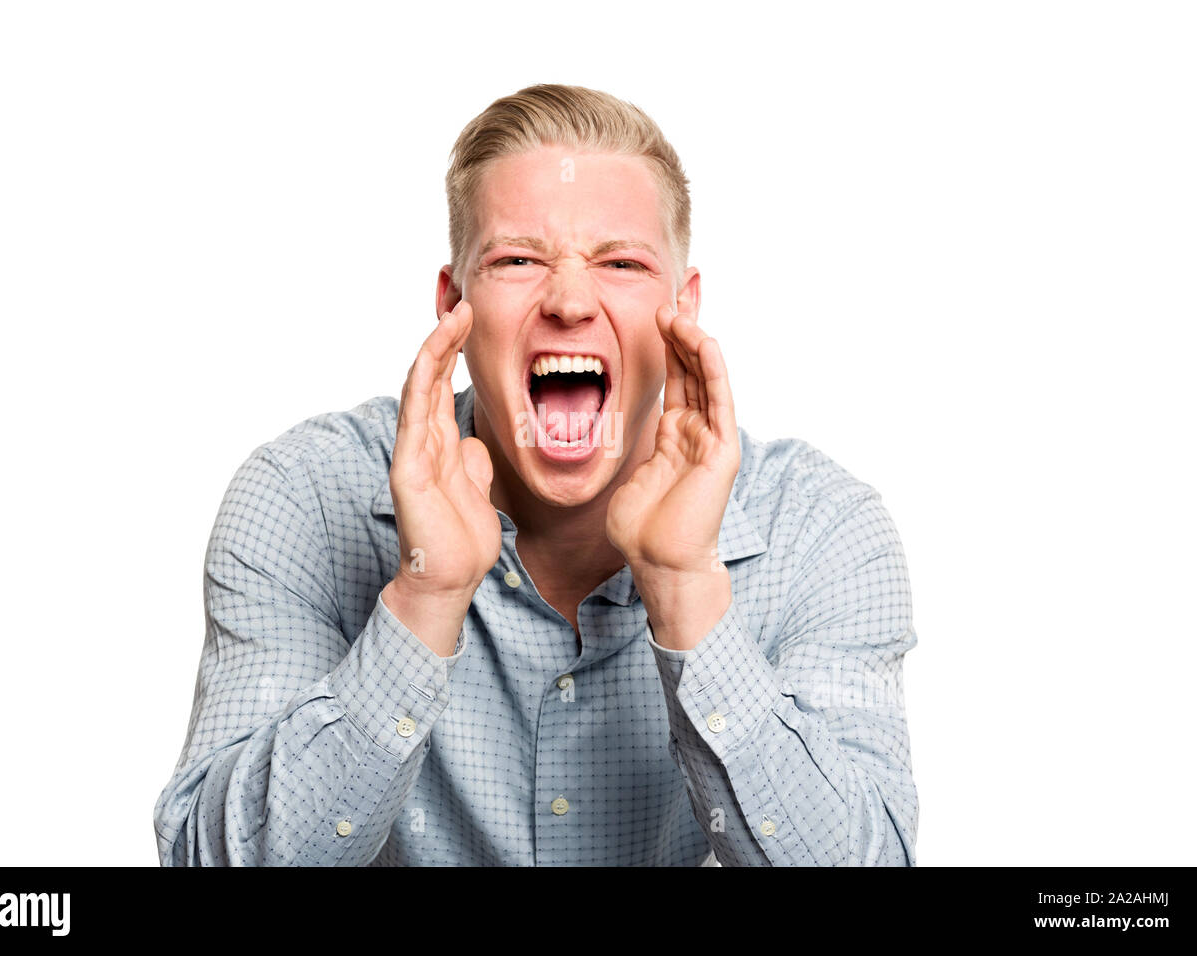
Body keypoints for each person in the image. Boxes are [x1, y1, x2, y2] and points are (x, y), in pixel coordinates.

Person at [152, 84, 919, 866]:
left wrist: (687, 590)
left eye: (620, 262)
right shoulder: (305, 497)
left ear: (683, 310)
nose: (570, 299)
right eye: (518, 259)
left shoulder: (823, 528)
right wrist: (424, 600)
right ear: (454, 305)